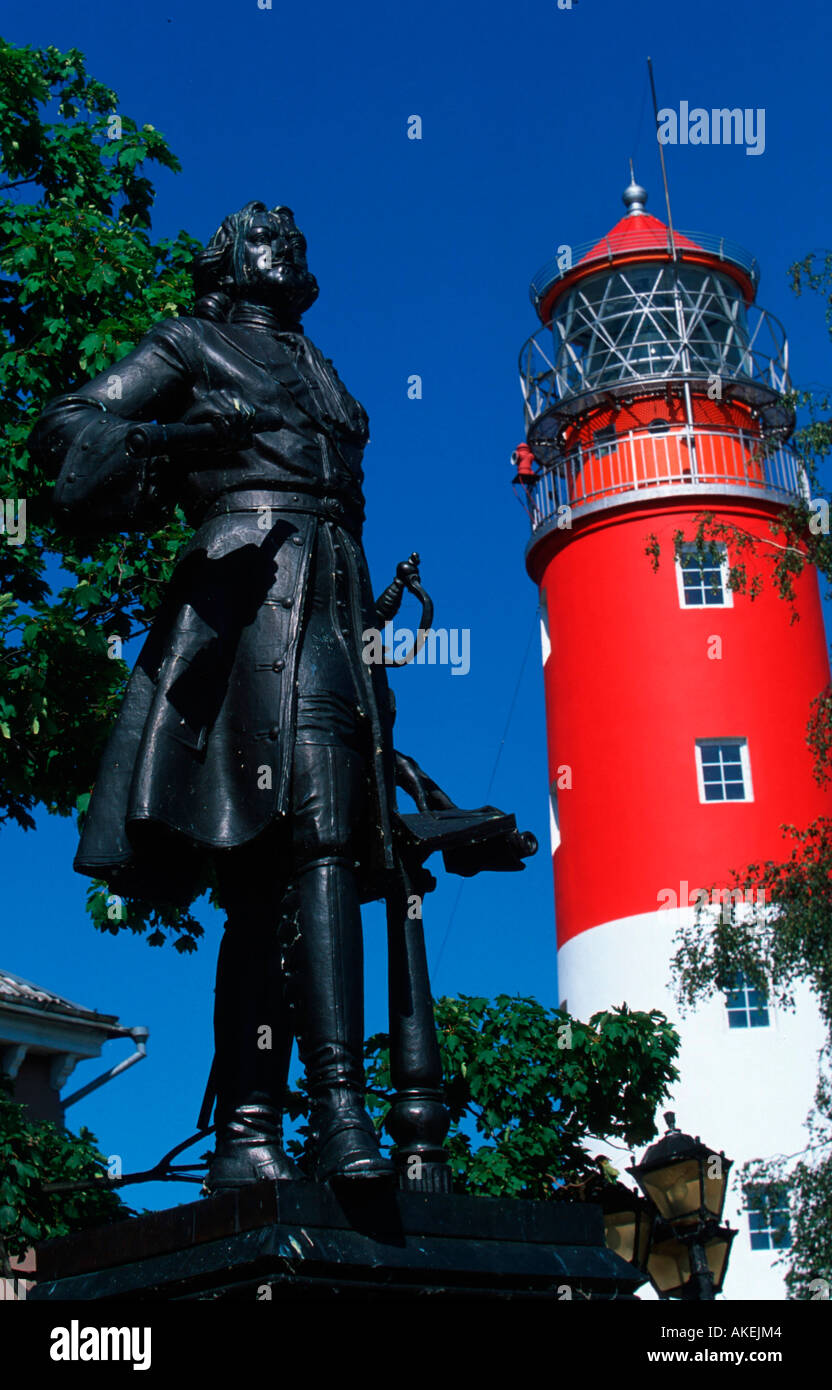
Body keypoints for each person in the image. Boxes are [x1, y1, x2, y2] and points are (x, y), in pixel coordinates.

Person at [31, 201, 403, 1187]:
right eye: (263, 236)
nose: (287, 244)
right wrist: (180, 437)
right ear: (226, 263)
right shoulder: (191, 342)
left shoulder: (323, 369)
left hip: (337, 599)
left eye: (295, 235)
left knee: (316, 850)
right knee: (282, 860)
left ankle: (287, 1121)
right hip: (249, 601)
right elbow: (66, 427)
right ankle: (303, 1118)